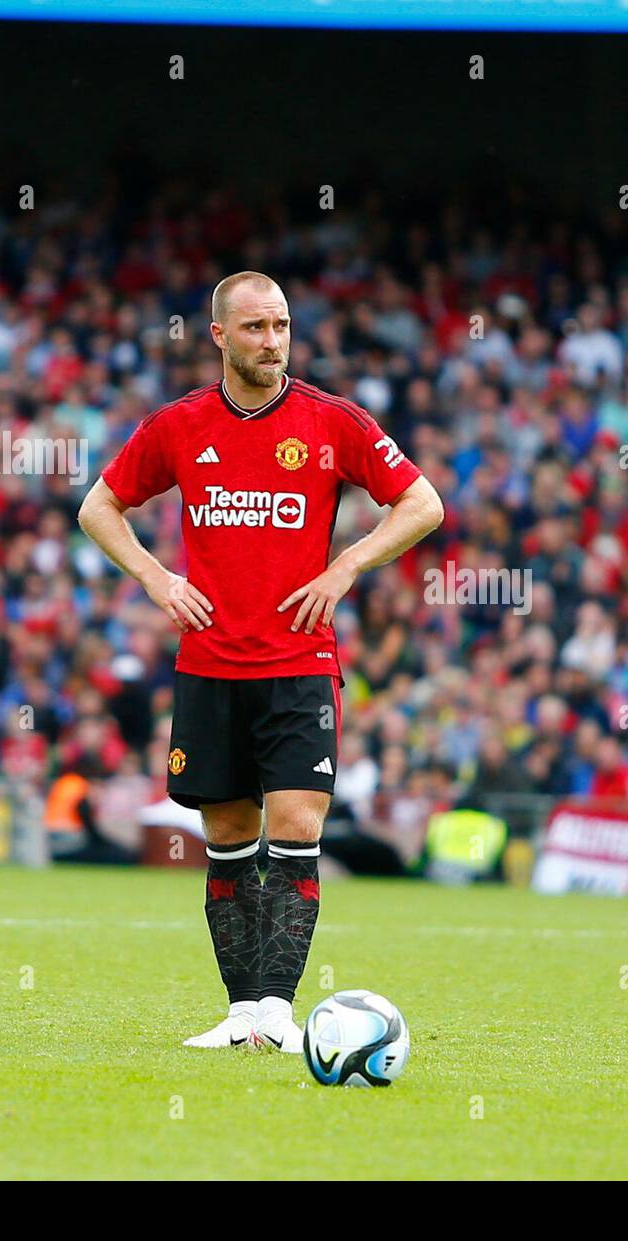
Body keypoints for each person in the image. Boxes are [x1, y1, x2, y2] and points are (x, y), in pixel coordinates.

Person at [78, 272, 443, 1052]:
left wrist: (346, 567)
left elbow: (423, 503)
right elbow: (96, 507)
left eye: (279, 326)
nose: (271, 341)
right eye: (254, 328)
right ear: (218, 335)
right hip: (209, 664)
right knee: (227, 839)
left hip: (299, 665)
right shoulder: (177, 427)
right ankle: (243, 1012)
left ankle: (279, 1008)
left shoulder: (331, 421)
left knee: (296, 825)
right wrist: (154, 576)